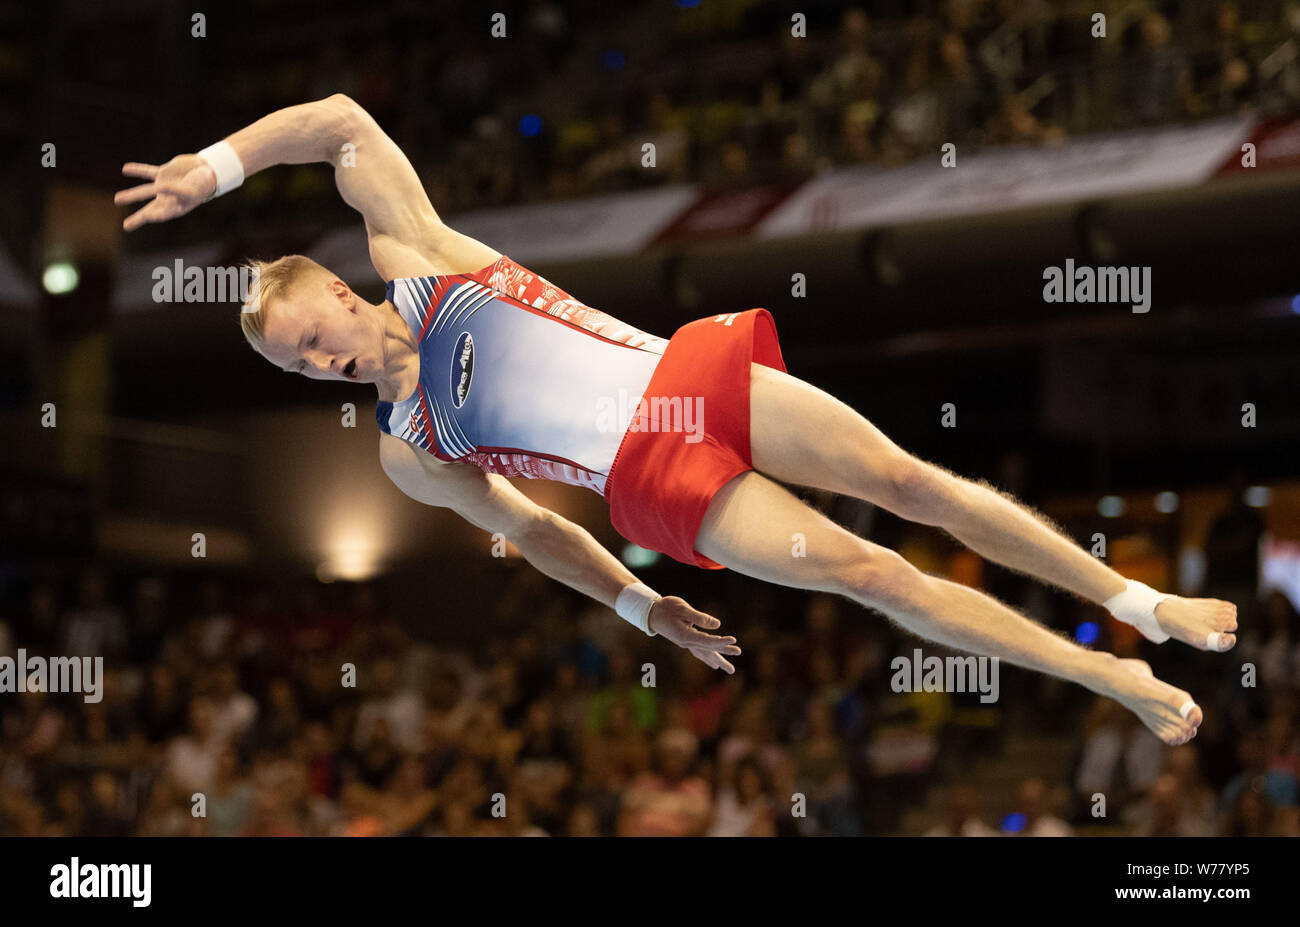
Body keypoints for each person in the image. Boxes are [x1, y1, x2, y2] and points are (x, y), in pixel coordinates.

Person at [116, 93, 1237, 746]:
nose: (324, 358)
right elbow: (537, 531)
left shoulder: (423, 258)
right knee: (870, 573)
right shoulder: (412, 453)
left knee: (910, 481)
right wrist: (643, 604)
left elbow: (339, 121)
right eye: (302, 361)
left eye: (319, 330)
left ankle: (1138, 600)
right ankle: (1114, 679)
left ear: (344, 292)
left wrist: (213, 171)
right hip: (655, 484)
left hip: (687, 379)